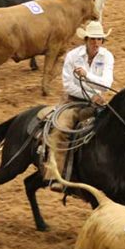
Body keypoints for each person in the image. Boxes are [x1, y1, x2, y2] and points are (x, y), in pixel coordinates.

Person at [44, 20, 115, 192]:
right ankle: (54, 175)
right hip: (73, 102)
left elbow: (106, 84)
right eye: (93, 39)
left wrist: (88, 76)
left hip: (98, 102)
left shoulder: (107, 57)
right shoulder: (72, 56)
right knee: (61, 130)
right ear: (86, 40)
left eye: (99, 39)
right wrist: (92, 95)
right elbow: (69, 86)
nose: (96, 43)